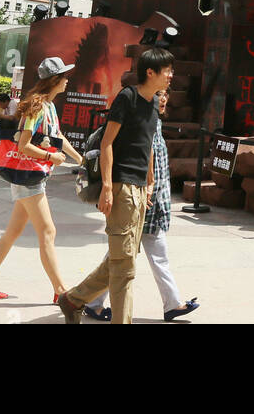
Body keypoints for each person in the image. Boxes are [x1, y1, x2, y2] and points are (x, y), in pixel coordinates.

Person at [57, 46, 175, 324]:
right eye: (168, 70)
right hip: (121, 187)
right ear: (150, 71)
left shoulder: (152, 105)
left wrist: (150, 181)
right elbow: (108, 142)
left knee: (123, 258)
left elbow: (147, 147)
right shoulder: (128, 98)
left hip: (139, 191)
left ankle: (73, 299)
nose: (171, 75)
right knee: (125, 269)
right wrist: (108, 187)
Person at [0, 57, 85, 301]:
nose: (67, 80)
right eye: (64, 76)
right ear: (55, 80)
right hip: (28, 176)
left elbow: (58, 137)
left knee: (12, 233)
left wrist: (80, 159)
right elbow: (23, 145)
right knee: (48, 231)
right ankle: (61, 292)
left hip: (32, 175)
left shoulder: (50, 107)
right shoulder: (37, 106)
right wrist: (50, 156)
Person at [83, 87, 200, 321]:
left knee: (123, 255)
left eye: (166, 93)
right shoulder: (144, 121)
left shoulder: (154, 122)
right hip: (142, 203)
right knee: (126, 257)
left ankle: (91, 300)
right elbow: (145, 166)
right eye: (158, 93)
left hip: (150, 203)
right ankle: (87, 299)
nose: (163, 98)